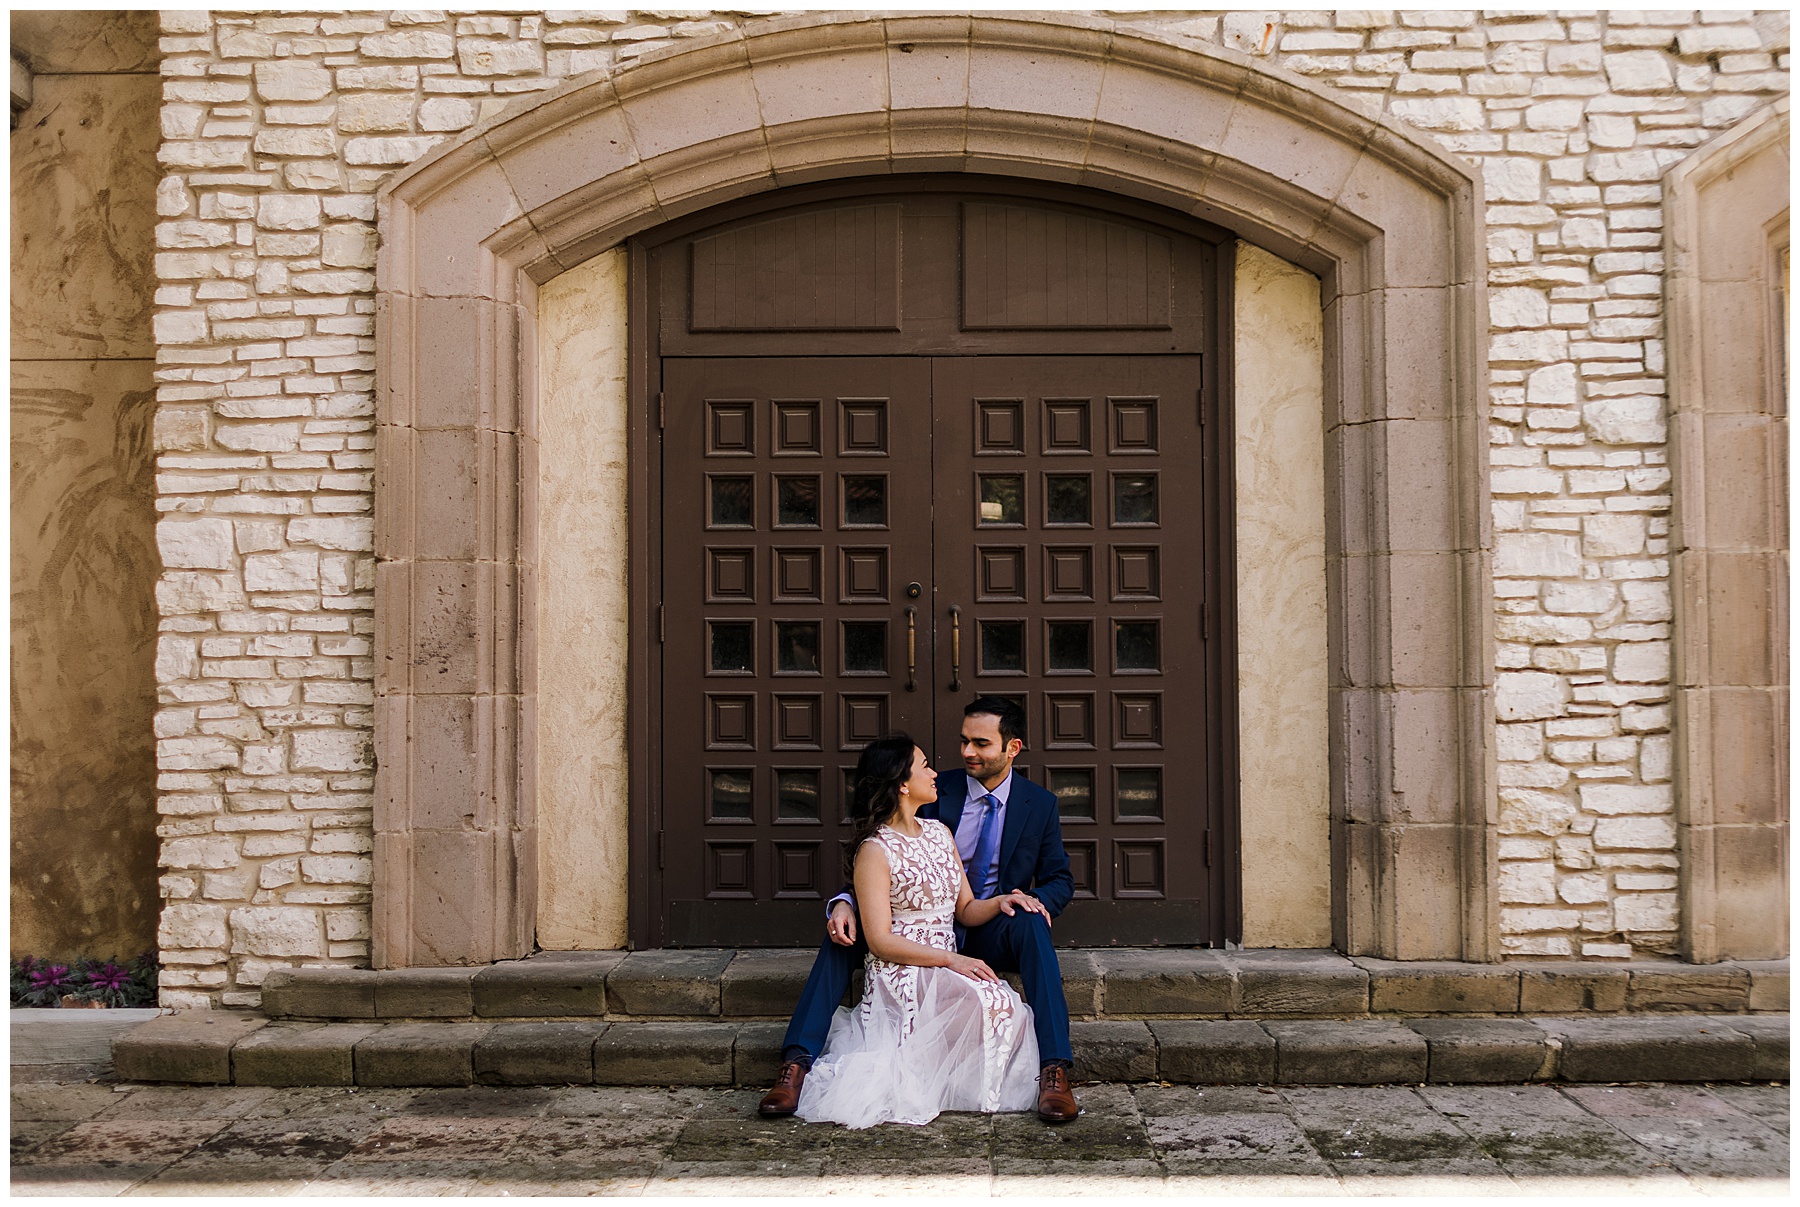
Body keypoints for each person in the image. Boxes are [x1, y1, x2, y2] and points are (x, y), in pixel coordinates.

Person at [760, 696, 1079, 1124]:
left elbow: (1060, 878)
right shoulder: (935, 789)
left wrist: (1028, 901)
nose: (966, 752)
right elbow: (886, 849)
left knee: (1032, 924)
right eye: (964, 741)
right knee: (842, 934)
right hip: (903, 929)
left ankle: (1054, 1069)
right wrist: (845, 901)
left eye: (980, 743)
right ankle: (797, 1063)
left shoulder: (1039, 805)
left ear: (1012, 748)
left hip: (980, 921)